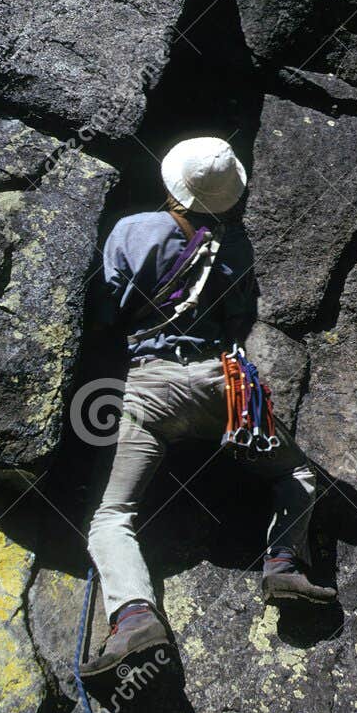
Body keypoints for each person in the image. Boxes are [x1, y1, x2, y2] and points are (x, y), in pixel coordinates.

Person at [80, 136, 332, 678]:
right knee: (295, 473)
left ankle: (134, 618)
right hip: (222, 386)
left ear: (173, 182)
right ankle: (285, 563)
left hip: (149, 389)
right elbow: (239, 319)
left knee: (112, 515)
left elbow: (106, 312)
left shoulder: (129, 231)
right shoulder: (235, 246)